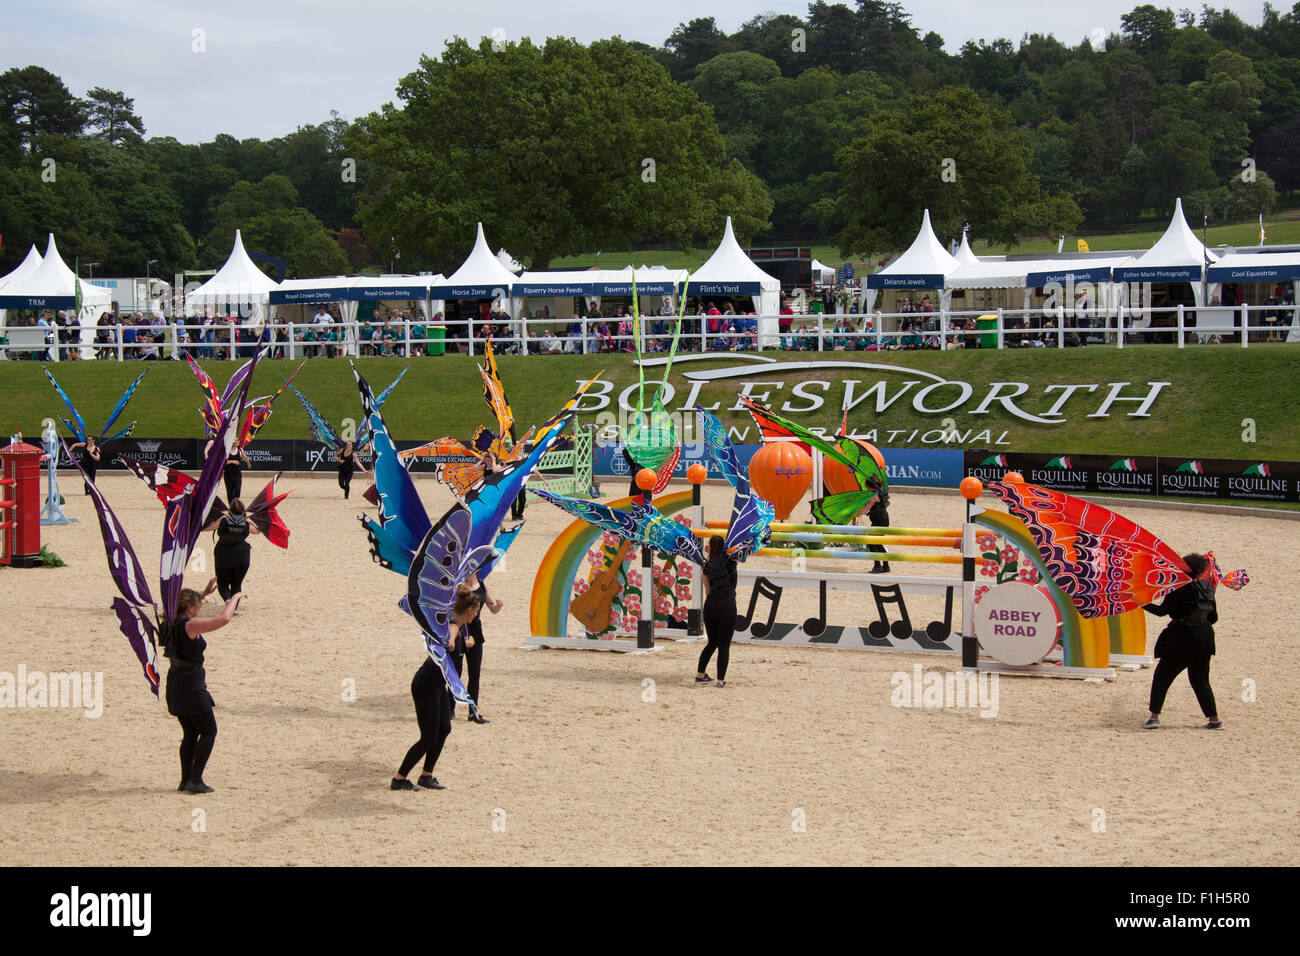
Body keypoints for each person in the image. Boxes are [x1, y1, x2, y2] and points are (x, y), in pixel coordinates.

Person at [392, 585, 483, 791]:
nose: (476, 615)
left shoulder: (456, 624)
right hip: (425, 686)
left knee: (444, 729)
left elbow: (455, 639)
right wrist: (451, 642)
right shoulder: (452, 626)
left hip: (438, 685)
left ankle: (427, 775)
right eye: (476, 611)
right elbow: (450, 637)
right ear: (469, 610)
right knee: (428, 737)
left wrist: (466, 643)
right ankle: (399, 778)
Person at [160, 578, 242, 793]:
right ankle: (195, 780)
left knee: (189, 732)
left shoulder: (168, 623)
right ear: (189, 609)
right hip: (191, 686)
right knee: (209, 731)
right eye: (198, 606)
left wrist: (203, 594)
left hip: (175, 684)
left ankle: (185, 780)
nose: (199, 609)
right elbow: (224, 619)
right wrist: (233, 598)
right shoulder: (191, 625)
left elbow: (188, 607)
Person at [1142, 553, 1222, 729]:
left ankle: (1154, 717)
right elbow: (1213, 617)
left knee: (1162, 676)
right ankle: (1214, 719)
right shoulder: (1207, 587)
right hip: (1205, 637)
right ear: (1201, 570)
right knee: (1200, 680)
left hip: (1182, 637)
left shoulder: (1177, 587)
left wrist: (1141, 602)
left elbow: (1162, 611)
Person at [452, 571, 502, 724]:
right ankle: (449, 709)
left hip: (476, 632)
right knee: (455, 672)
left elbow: (492, 608)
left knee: (475, 673)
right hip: (459, 630)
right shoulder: (459, 587)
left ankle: (473, 712)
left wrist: (499, 605)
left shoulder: (482, 585)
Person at [696, 535, 738, 687]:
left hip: (711, 605)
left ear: (710, 547)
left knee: (712, 642)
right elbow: (733, 586)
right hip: (727, 604)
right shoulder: (731, 563)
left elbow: (707, 591)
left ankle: (700, 674)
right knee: (724, 645)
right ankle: (720, 681)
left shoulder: (706, 566)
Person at [205, 499, 257, 602]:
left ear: (230, 510)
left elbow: (208, 528)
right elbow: (257, 530)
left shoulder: (223, 520)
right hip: (242, 555)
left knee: (223, 583)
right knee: (236, 584)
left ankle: (228, 600)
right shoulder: (246, 523)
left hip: (223, 554)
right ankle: (233, 608)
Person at [865, 476, 891, 573]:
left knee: (871, 542)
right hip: (884, 520)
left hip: (878, 521)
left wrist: (853, 513)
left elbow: (865, 510)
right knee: (877, 542)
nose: (866, 488)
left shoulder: (872, 497)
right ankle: (885, 565)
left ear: (870, 487)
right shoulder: (880, 493)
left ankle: (877, 565)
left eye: (867, 486)